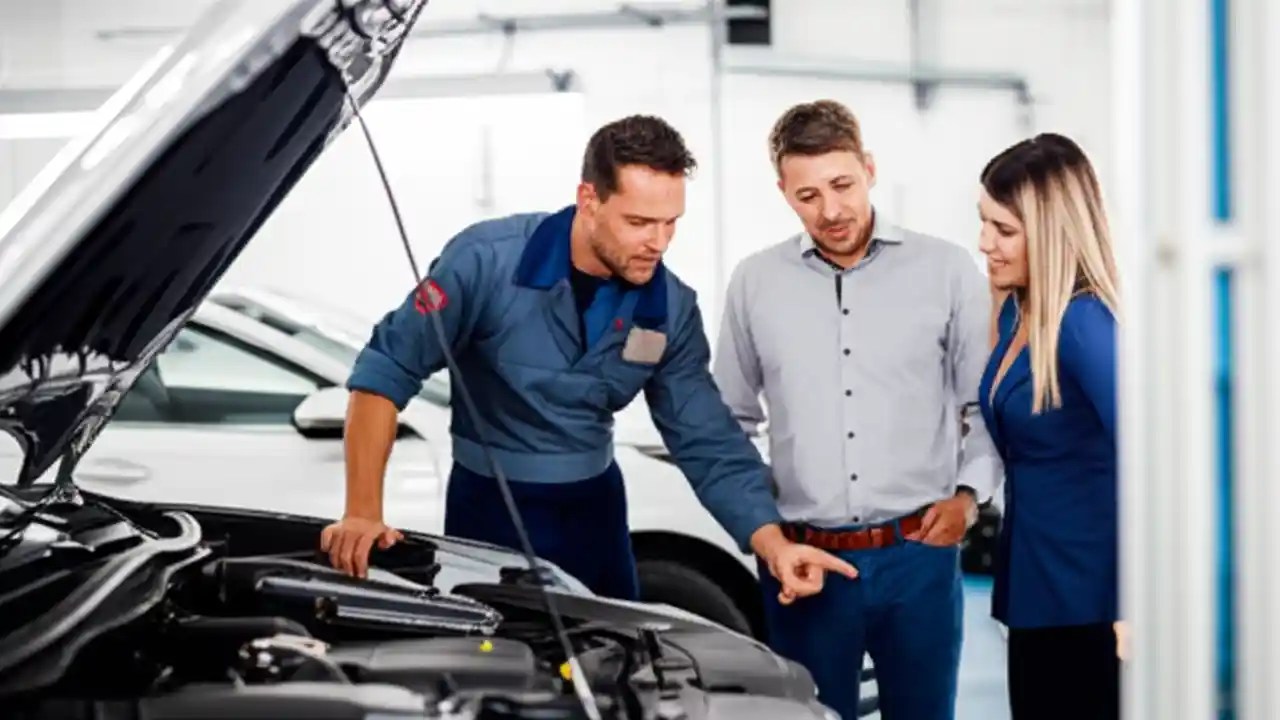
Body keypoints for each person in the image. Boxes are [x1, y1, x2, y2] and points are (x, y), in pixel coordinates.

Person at [318, 114, 856, 605]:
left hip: (595, 510)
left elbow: (705, 439)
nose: (659, 242)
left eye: (671, 223)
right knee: (494, 671)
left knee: (608, 668)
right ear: (589, 199)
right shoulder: (484, 262)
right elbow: (386, 374)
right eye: (640, 222)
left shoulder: (669, 307)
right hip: (488, 506)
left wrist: (773, 543)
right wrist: (363, 511)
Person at [713, 99, 1001, 720]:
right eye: (808, 195)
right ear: (784, 192)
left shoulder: (947, 269)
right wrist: (765, 533)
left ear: (869, 168)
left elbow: (985, 404)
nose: (831, 210)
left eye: (842, 185)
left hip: (918, 557)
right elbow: (729, 422)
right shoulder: (754, 282)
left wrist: (969, 495)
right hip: (806, 562)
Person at [976, 133, 1121, 720]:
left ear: (1054, 233)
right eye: (983, 222)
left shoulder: (1085, 324)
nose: (985, 243)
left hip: (1091, 607)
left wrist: (1135, 606)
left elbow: (1154, 463)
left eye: (1004, 231)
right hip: (1036, 594)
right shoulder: (1018, 310)